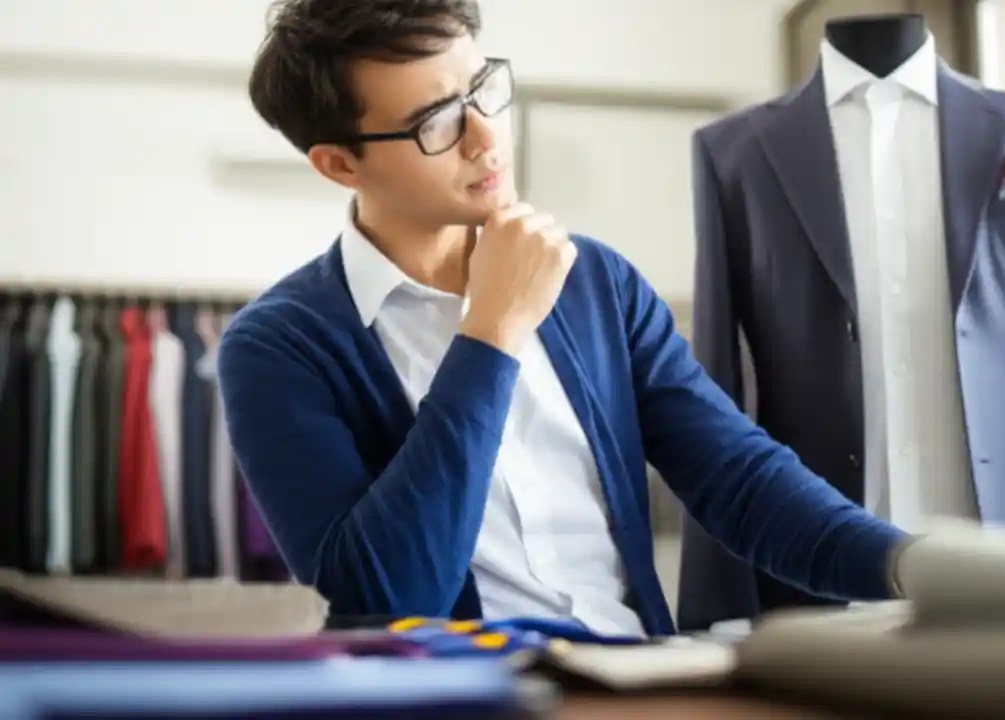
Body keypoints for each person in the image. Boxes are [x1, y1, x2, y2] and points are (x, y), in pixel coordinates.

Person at [219, 0, 912, 638]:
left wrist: (916, 569)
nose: (486, 137)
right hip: (466, 698)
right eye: (437, 122)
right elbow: (381, 600)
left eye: (482, 89)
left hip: (635, 681)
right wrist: (492, 332)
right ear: (341, 164)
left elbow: (742, 482)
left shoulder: (595, 282)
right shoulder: (277, 346)